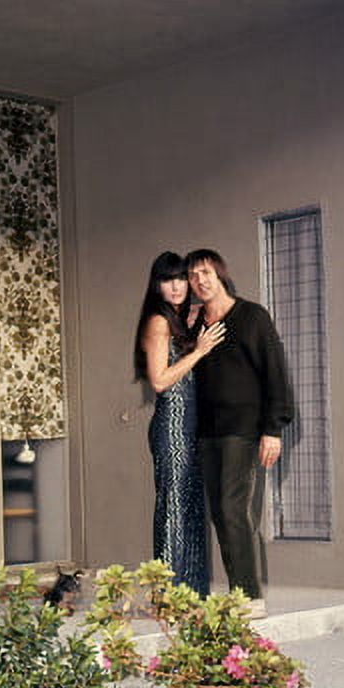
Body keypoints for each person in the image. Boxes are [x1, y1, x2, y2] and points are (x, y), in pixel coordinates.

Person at [186, 249, 294, 616]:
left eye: (205, 272)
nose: (200, 281)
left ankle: (249, 598)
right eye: (192, 276)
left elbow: (276, 372)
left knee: (233, 509)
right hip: (209, 433)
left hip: (243, 431)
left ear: (220, 273)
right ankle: (238, 594)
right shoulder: (197, 325)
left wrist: (273, 429)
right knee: (221, 513)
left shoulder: (251, 317)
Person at [134, 251, 225, 595]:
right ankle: (170, 595)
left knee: (190, 508)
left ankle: (191, 592)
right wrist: (199, 351)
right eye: (167, 279)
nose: (176, 286)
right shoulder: (157, 321)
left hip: (189, 427)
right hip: (172, 425)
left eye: (180, 279)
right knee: (173, 506)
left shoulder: (176, 319)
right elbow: (159, 381)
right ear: (157, 285)